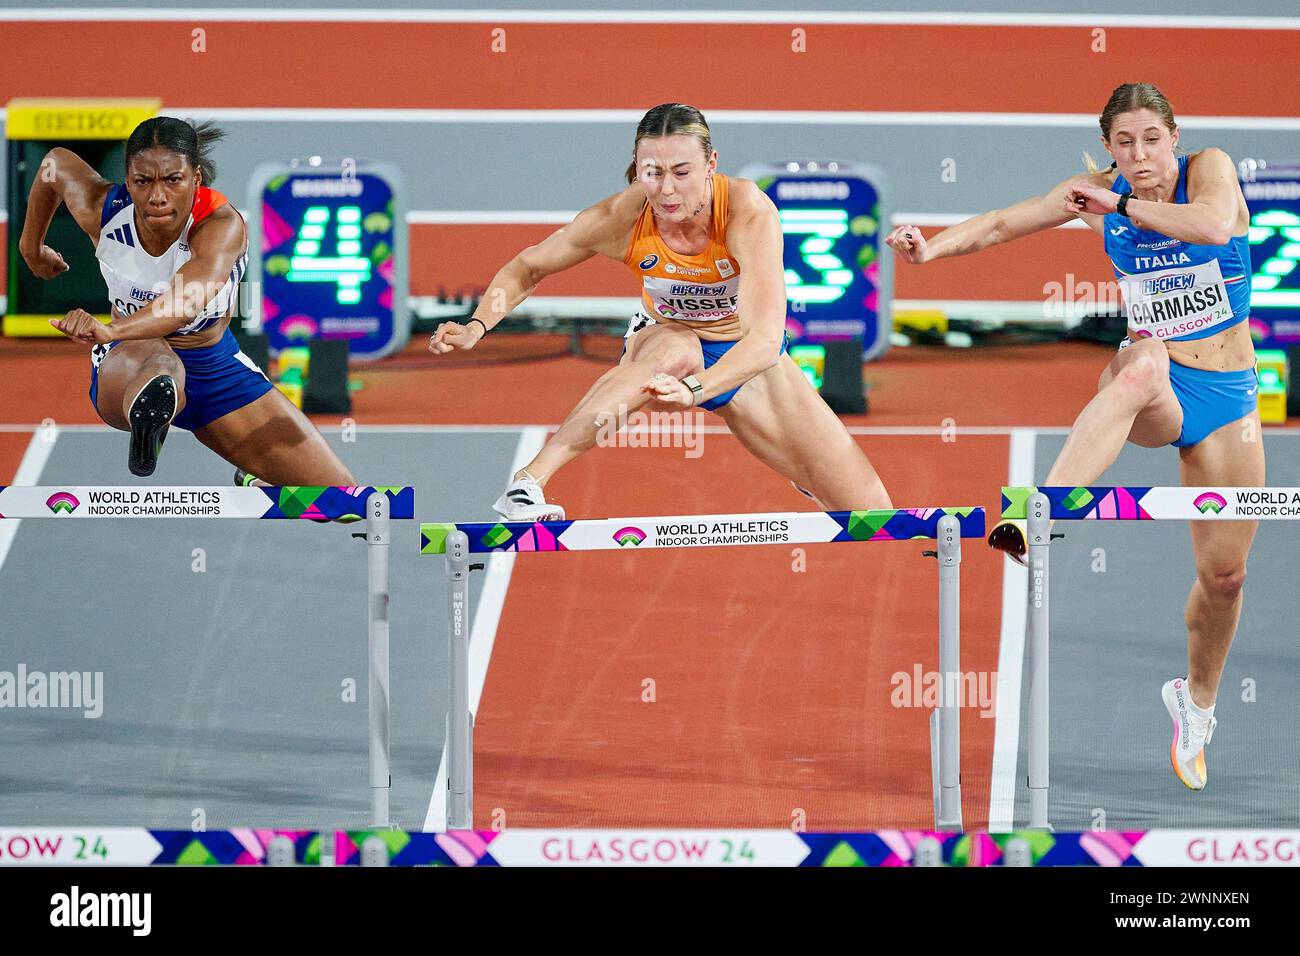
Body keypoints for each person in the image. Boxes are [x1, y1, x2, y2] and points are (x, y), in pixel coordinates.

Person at [887, 83, 1260, 792]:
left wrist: (1115, 205)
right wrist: (930, 251)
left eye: (1151, 138)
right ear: (1109, 145)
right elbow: (1000, 223)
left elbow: (1213, 227)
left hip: (1230, 396)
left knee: (1226, 578)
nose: (1139, 154)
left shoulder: (1209, 167)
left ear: (1174, 137)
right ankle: (1038, 510)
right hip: (1159, 389)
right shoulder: (1094, 190)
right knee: (1140, 361)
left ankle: (1197, 702)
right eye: (1124, 143)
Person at [429, 103, 890, 520]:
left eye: (681, 172)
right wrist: (477, 324)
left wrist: (694, 391)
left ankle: (805, 469)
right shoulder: (620, 218)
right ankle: (528, 484)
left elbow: (766, 342)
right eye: (652, 172)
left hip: (746, 355)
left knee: (873, 514)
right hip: (667, 334)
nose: (666, 189)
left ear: (711, 165)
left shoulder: (747, 213)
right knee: (674, 351)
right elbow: (527, 267)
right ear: (636, 170)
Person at [20, 116, 354, 486]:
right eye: (142, 181)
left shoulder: (220, 226)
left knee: (339, 498)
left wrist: (108, 327)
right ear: (128, 179)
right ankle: (150, 417)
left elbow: (181, 306)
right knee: (163, 367)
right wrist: (31, 248)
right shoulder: (105, 211)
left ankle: (246, 465)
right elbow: (55, 164)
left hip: (214, 368)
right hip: (131, 361)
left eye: (172, 180)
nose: (157, 196)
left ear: (195, 178)